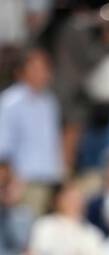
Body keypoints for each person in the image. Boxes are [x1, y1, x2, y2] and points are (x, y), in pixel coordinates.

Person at [0, 48, 63, 215]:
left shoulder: (49, 102)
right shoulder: (10, 102)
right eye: (35, 68)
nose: (41, 73)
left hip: (50, 181)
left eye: (45, 69)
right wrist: (8, 184)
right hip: (24, 183)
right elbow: (3, 147)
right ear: (21, 71)